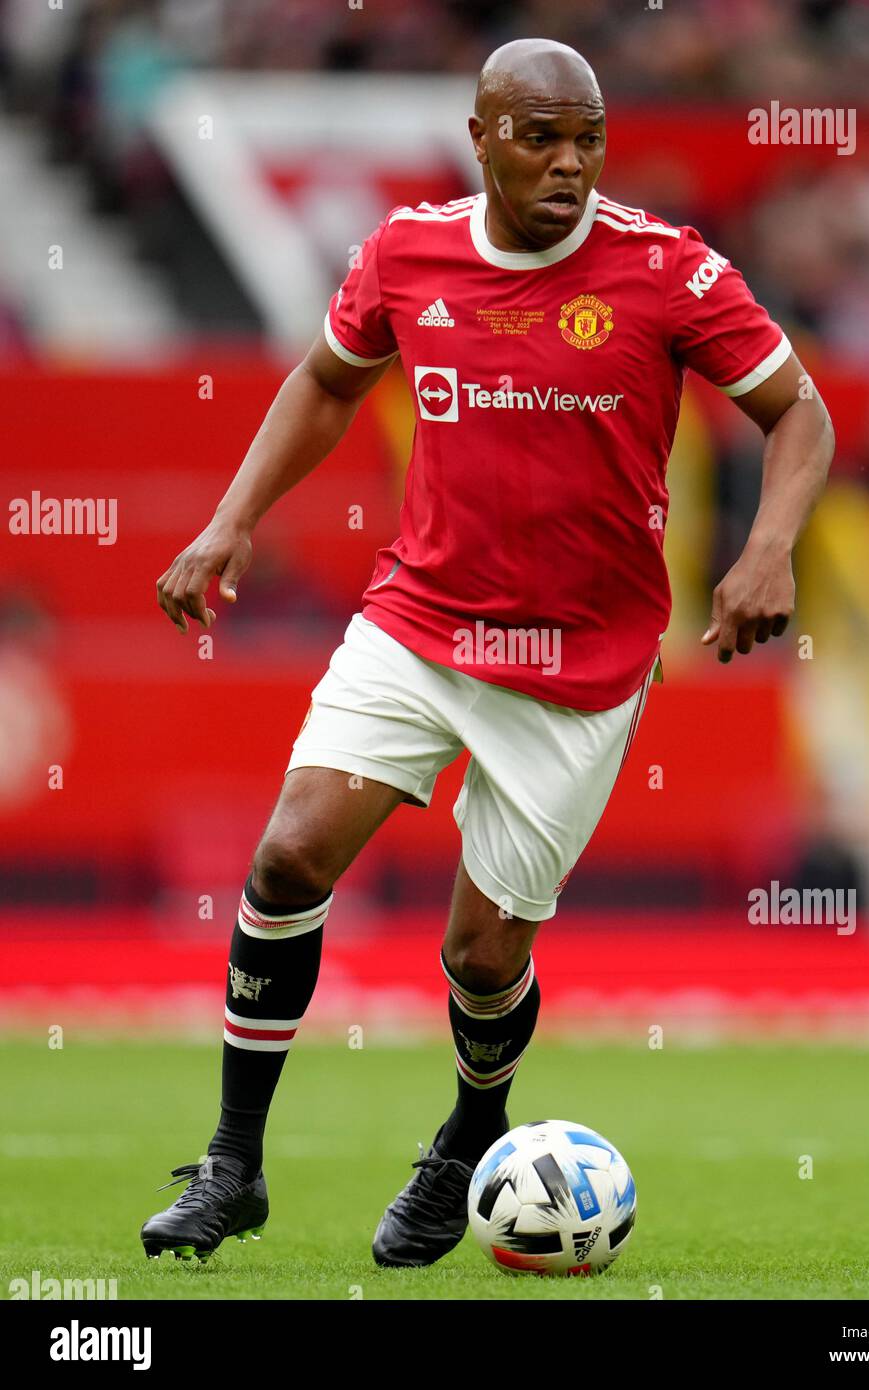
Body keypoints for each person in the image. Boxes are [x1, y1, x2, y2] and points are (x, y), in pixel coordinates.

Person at [143, 37, 834, 1267]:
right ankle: (233, 1166)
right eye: (539, 138)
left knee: (479, 953)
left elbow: (800, 412)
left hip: (578, 666)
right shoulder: (407, 253)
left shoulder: (667, 267)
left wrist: (769, 544)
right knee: (293, 851)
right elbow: (324, 379)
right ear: (480, 137)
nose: (568, 164)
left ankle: (471, 1134)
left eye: (587, 140)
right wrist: (231, 518)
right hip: (417, 621)